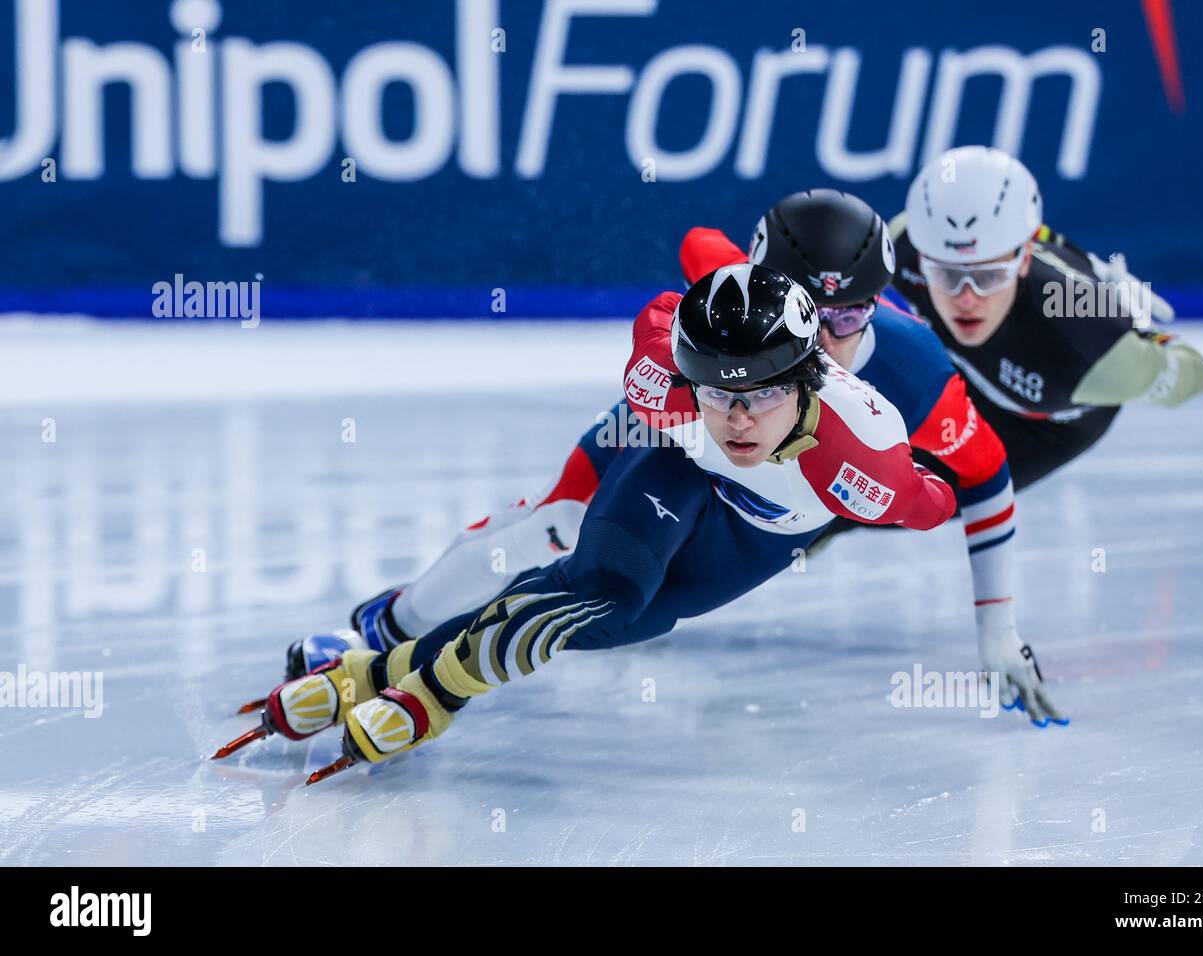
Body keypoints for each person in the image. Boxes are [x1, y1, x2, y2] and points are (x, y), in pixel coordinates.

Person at [281, 190, 1060, 727]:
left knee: (614, 599)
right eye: (800, 312)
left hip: (776, 480)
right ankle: (380, 634)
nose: (821, 341)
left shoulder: (918, 376)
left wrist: (996, 628)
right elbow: (699, 251)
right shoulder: (727, 318)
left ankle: (421, 663)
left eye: (850, 315)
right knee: (552, 526)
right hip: (684, 424)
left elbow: (984, 478)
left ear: (881, 302)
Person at [217, 264, 976, 776]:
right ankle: (428, 693)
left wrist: (943, 466)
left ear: (810, 377)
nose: (738, 420)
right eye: (719, 393)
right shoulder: (663, 383)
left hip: (758, 536)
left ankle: (370, 672)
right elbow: (689, 271)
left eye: (762, 396)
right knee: (597, 581)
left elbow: (935, 501)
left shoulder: (866, 460)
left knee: (617, 625)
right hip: (679, 466)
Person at [887, 145, 1203, 491]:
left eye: (990, 276)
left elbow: (1199, 373)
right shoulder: (903, 245)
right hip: (968, 368)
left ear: (1024, 261)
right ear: (923, 259)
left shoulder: (1091, 347)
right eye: (947, 276)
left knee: (887, 494)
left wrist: (1149, 338)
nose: (967, 299)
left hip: (1036, 428)